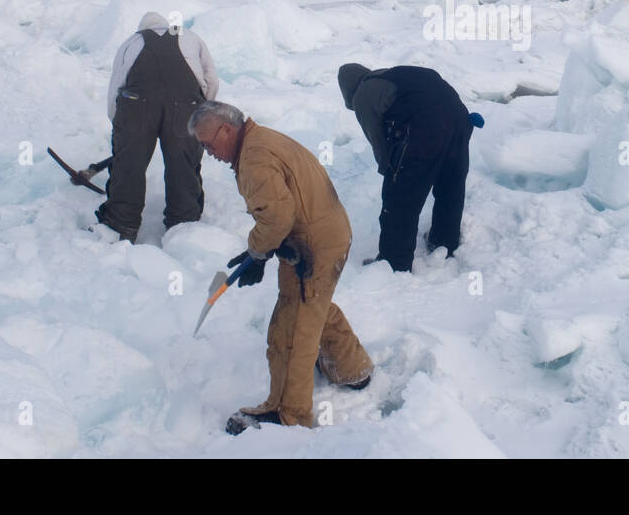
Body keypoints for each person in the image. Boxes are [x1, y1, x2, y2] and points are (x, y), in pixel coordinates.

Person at [188, 101, 374, 432]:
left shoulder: (255, 158)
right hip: (312, 236)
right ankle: (350, 367)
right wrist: (264, 248)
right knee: (311, 306)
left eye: (208, 143)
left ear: (226, 130)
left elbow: (276, 217)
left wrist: (258, 252)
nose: (208, 152)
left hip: (313, 244)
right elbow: (283, 209)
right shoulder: (259, 140)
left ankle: (288, 414)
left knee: (292, 327)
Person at [338, 64, 479, 272]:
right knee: (450, 186)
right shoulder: (393, 76)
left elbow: (377, 141)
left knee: (401, 198)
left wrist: (393, 174)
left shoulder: (363, 94)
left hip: (426, 128)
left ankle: (393, 262)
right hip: (460, 119)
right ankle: (443, 242)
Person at [93, 12, 218, 242]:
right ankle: (183, 225)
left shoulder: (131, 42)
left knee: (129, 163)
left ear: (143, 28)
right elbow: (211, 78)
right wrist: (203, 111)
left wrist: (121, 128)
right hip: (185, 105)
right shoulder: (191, 37)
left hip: (136, 105)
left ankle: (121, 225)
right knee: (183, 162)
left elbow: (116, 86)